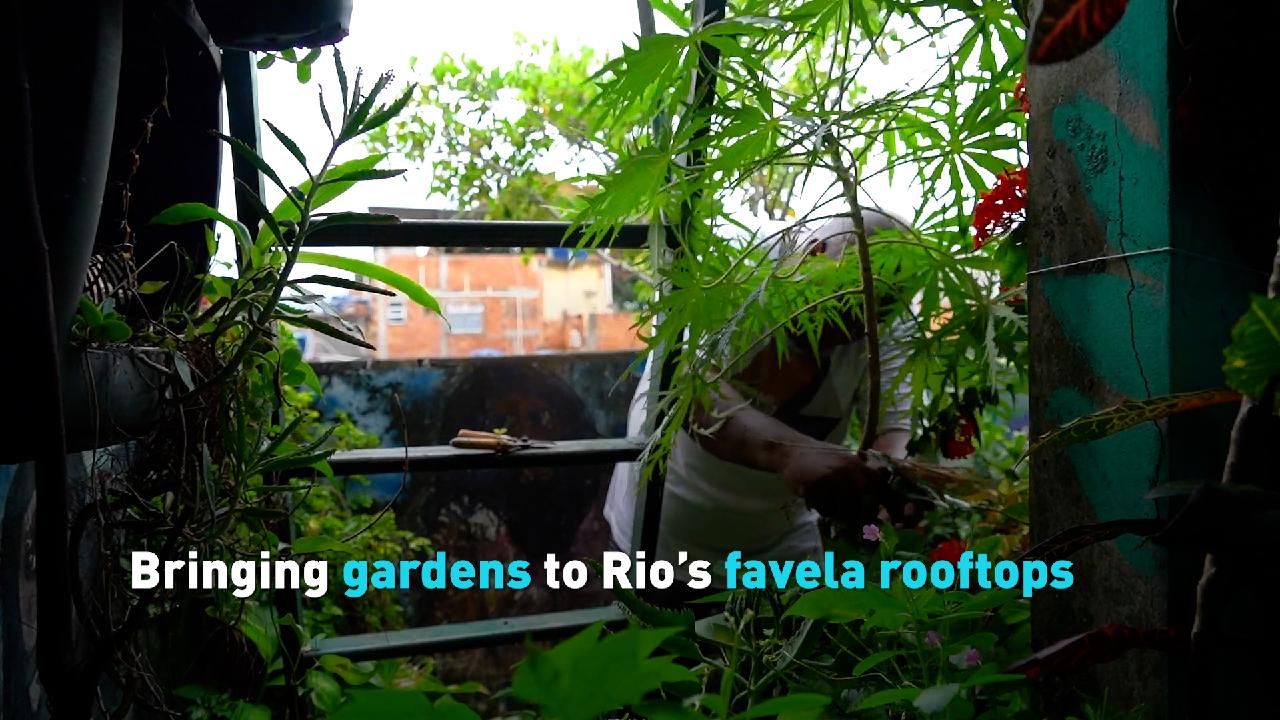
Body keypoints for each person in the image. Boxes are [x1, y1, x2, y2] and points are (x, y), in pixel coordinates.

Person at [604, 209, 915, 592]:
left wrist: (887, 475)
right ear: (814, 254)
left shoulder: (880, 310)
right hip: (662, 542)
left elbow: (893, 429)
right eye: (848, 309)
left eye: (877, 316)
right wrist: (791, 452)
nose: (859, 330)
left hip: (783, 555)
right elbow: (688, 387)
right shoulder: (737, 263)